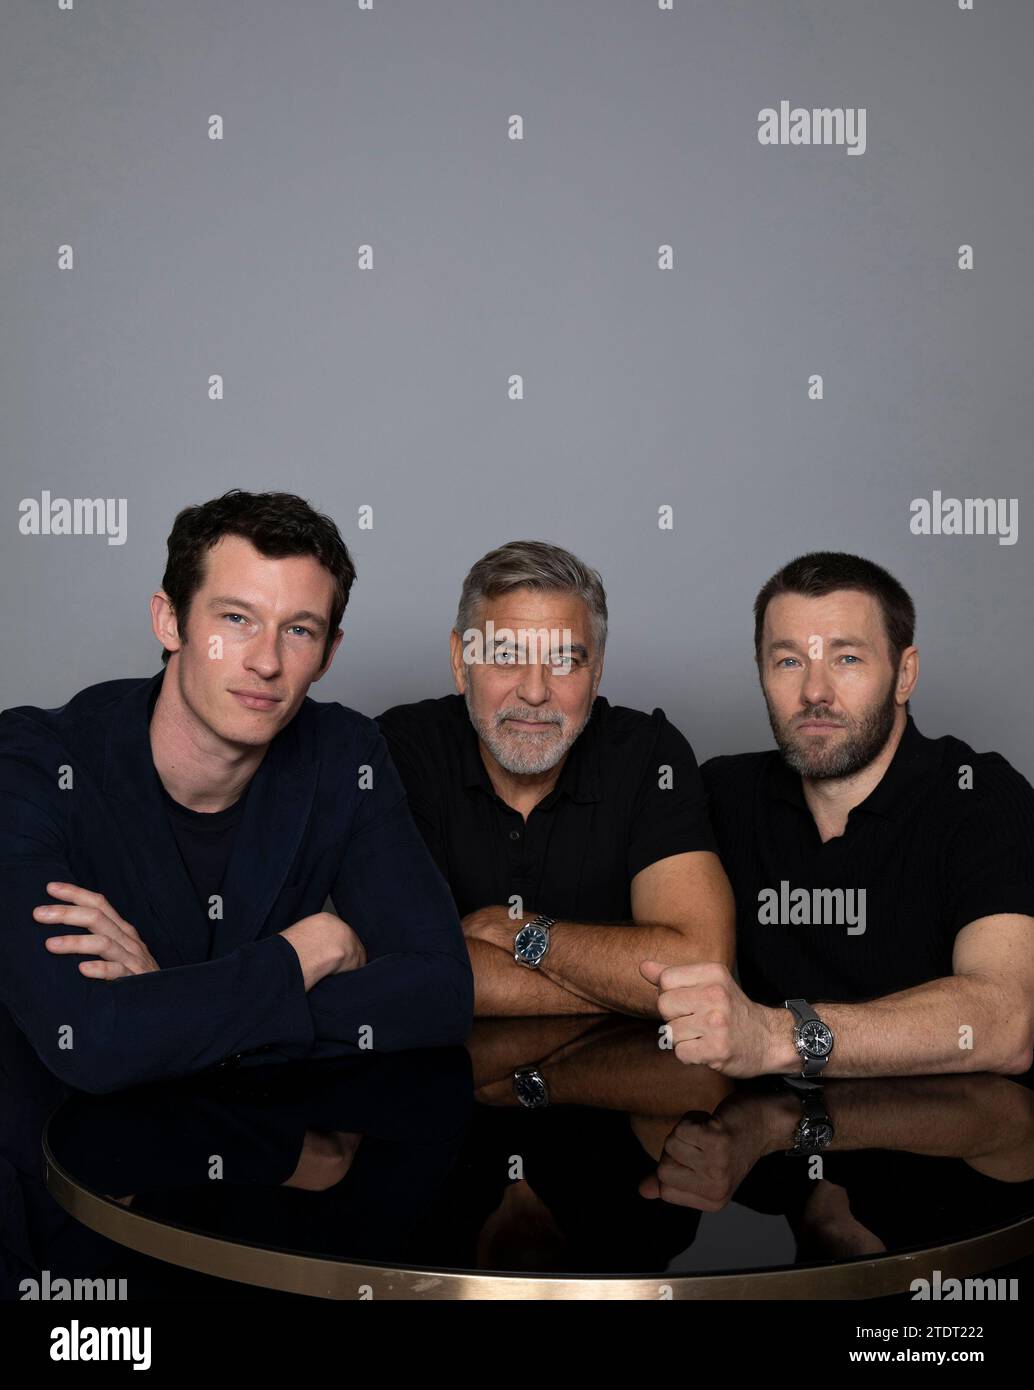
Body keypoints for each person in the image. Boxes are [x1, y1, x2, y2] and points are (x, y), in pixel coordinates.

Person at [0, 490, 472, 1094]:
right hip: (64, 1164)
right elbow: (88, 1038)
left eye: (299, 630)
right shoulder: (34, 764)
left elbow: (441, 996)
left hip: (252, 1163)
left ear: (329, 654)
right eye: (236, 620)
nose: (267, 662)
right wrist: (304, 953)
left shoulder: (346, 756)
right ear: (170, 621)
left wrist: (168, 1002)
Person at [644, 552, 1034, 1079]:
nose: (814, 692)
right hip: (773, 1142)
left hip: (944, 1143)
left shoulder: (980, 795)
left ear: (904, 674)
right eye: (788, 661)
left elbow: (1006, 1022)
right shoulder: (723, 792)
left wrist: (776, 1037)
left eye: (846, 658)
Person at [377, 540, 734, 1017]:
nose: (535, 691)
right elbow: (401, 970)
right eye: (505, 656)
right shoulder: (399, 750)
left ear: (598, 670)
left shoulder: (651, 754)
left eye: (565, 661)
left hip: (621, 1086)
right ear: (462, 662)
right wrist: (627, 987)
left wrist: (518, 932)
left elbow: (701, 966)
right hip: (441, 1084)